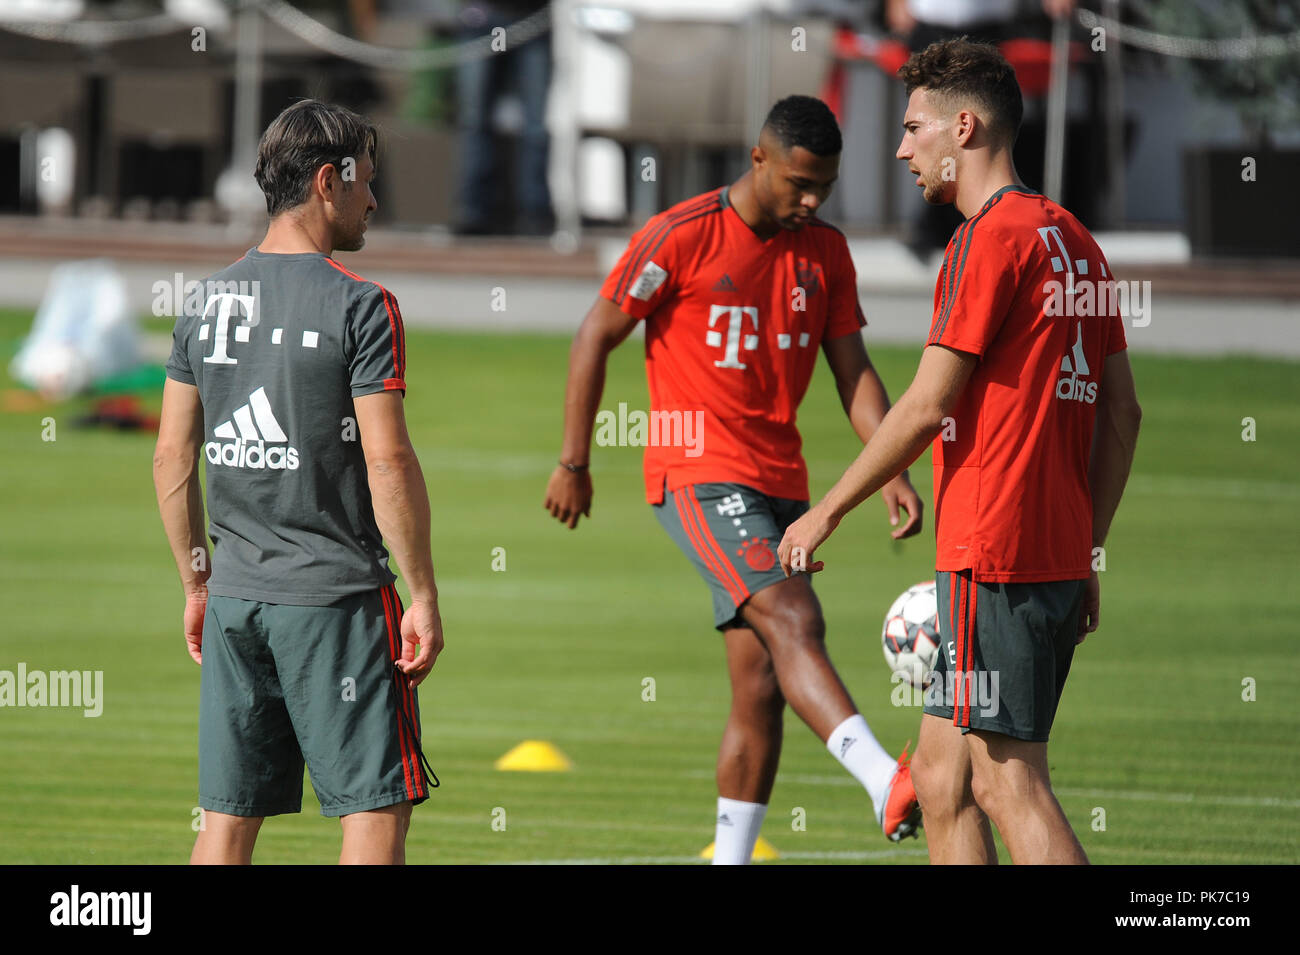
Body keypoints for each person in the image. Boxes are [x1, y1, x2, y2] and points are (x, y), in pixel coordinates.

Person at [777, 39, 1142, 864]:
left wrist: (824, 512)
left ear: (964, 127)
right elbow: (1124, 412)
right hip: (1044, 554)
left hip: (994, 556)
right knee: (941, 778)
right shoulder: (1076, 240)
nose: (902, 148)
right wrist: (1087, 548)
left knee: (1011, 782)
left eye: (913, 128)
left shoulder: (989, 240)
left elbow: (926, 404)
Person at [544, 96, 925, 864]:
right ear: (758, 160)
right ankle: (886, 779)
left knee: (760, 685)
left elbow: (853, 372)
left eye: (824, 185)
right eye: (797, 182)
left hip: (780, 478)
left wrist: (892, 468)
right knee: (795, 618)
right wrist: (574, 461)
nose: (810, 200)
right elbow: (597, 332)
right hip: (696, 470)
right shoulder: (682, 235)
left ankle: (729, 859)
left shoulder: (826, 252)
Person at [153, 100, 445, 865]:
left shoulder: (204, 301)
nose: (374, 202)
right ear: (328, 180)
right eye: (367, 184)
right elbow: (387, 462)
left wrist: (195, 582)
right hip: (337, 601)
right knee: (375, 812)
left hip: (237, 601)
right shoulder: (362, 304)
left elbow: (171, 459)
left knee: (225, 820)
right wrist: (422, 593)